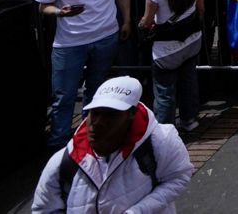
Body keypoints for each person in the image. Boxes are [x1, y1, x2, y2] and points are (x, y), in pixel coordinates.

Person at [34, 0, 133, 149]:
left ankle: (88, 138)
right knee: (64, 96)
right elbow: (43, 5)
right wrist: (60, 12)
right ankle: (59, 145)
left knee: (96, 92)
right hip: (70, 43)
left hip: (106, 37)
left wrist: (126, 20)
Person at [31, 76, 193, 213]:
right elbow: (43, 209)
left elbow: (179, 177)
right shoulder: (62, 162)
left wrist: (139, 211)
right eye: (95, 113)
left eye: (110, 115)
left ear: (132, 114)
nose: (98, 123)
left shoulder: (162, 141)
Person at [138, 0, 203, 132]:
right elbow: (201, 10)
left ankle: (166, 130)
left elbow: (148, 21)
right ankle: (189, 119)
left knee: (164, 90)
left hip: (165, 48)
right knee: (188, 82)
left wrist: (141, 26)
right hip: (191, 40)